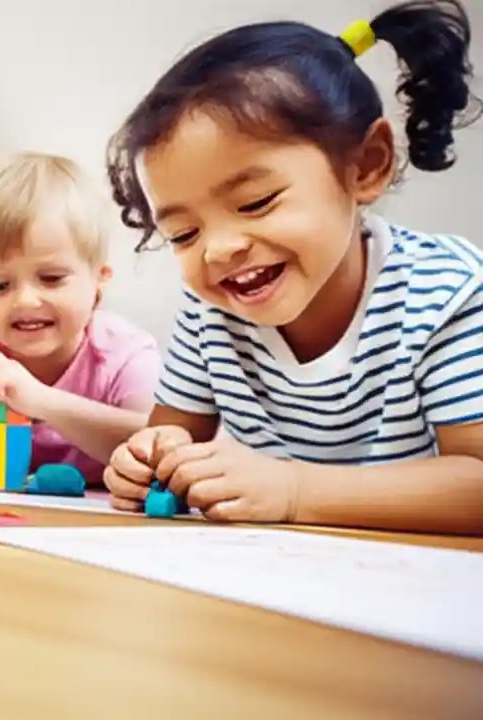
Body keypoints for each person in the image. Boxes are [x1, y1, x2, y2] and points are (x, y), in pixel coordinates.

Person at [102, 0, 483, 534]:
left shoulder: (447, 291)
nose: (218, 250)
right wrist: (146, 464)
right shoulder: (209, 313)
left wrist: (295, 490)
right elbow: (171, 438)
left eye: (256, 202)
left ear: (366, 166)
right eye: (183, 234)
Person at [0, 152, 160, 483]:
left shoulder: (125, 354)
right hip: (15, 511)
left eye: (52, 278)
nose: (25, 300)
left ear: (98, 280)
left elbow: (158, 440)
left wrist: (40, 400)